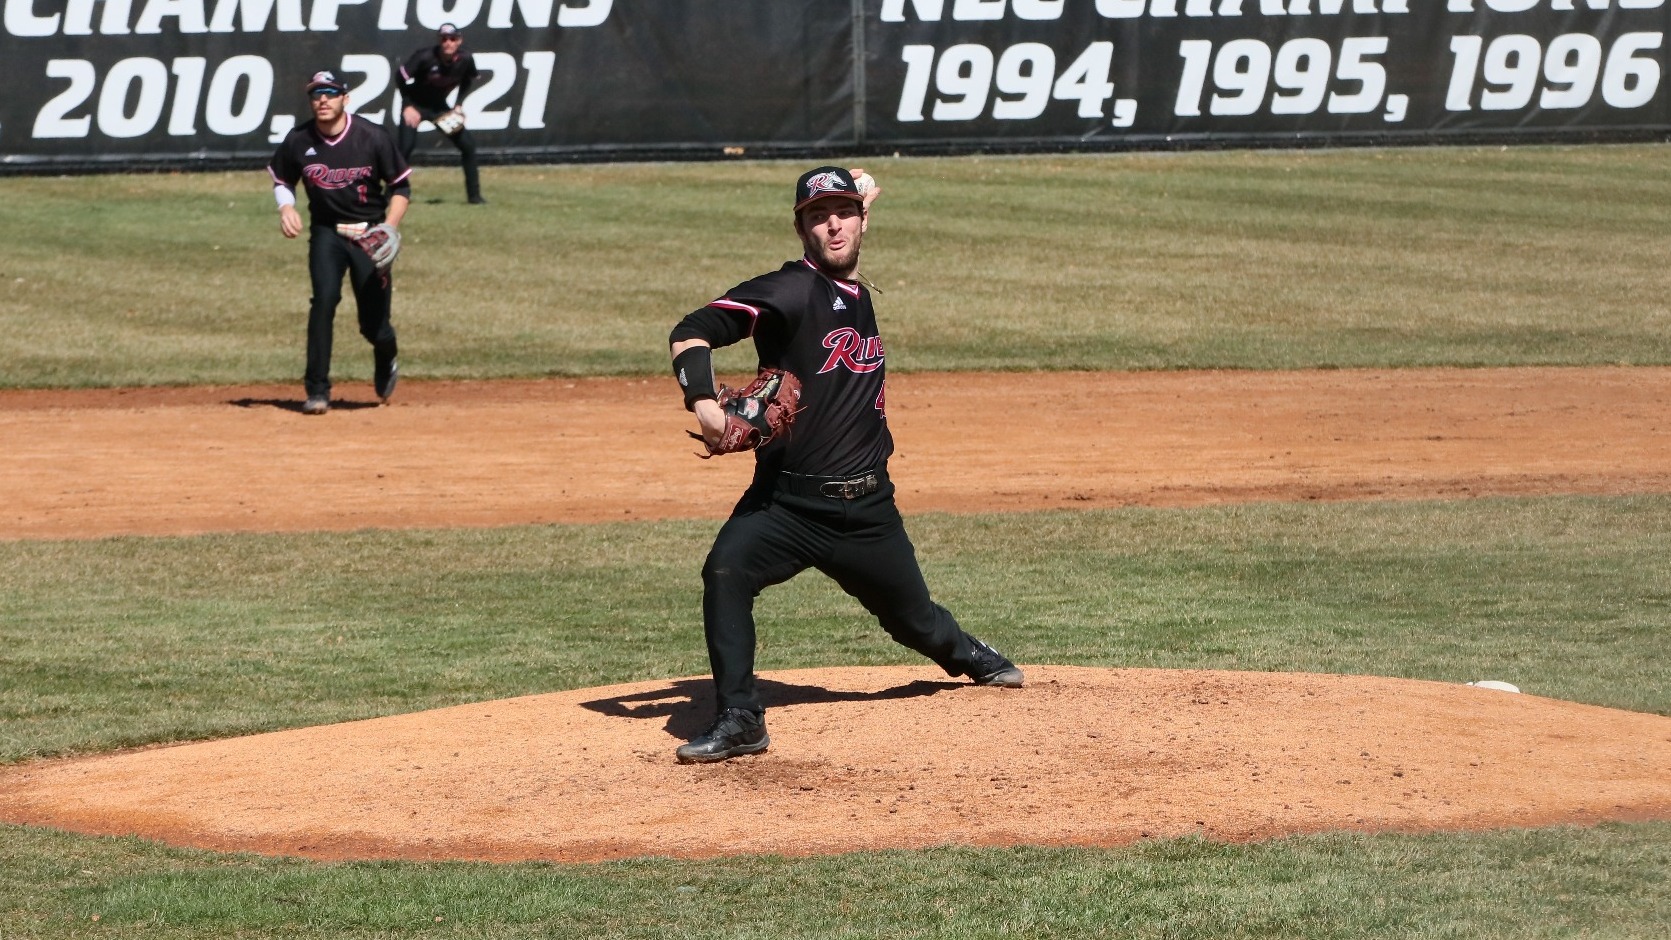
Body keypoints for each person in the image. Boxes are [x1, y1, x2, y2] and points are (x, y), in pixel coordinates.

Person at [666, 166, 1024, 764]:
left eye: (844, 213)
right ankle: (740, 717)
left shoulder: (852, 288)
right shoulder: (789, 290)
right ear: (799, 227)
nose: (832, 225)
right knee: (725, 572)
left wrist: (861, 198)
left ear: (862, 219)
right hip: (787, 505)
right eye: (817, 216)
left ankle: (968, 654)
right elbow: (692, 330)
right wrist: (703, 403)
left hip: (868, 510)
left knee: (915, 623)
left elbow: (848, 243)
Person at [268, 70, 410, 415]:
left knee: (373, 325)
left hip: (369, 235)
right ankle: (317, 389)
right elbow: (282, 179)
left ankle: (386, 353)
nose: (323, 100)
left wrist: (389, 228)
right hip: (327, 233)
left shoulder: (371, 136)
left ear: (345, 99)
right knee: (324, 302)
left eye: (330, 94)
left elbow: (400, 187)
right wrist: (286, 206)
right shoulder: (299, 139)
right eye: (317, 94)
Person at [396, 22, 485, 205]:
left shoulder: (466, 59)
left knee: (467, 145)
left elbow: (468, 79)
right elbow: (400, 76)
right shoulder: (425, 57)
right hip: (415, 106)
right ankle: (394, 195)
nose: (448, 43)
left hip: (439, 109)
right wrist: (407, 106)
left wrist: (458, 105)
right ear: (439, 40)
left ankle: (474, 197)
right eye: (444, 39)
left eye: (452, 39)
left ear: (459, 41)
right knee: (405, 149)